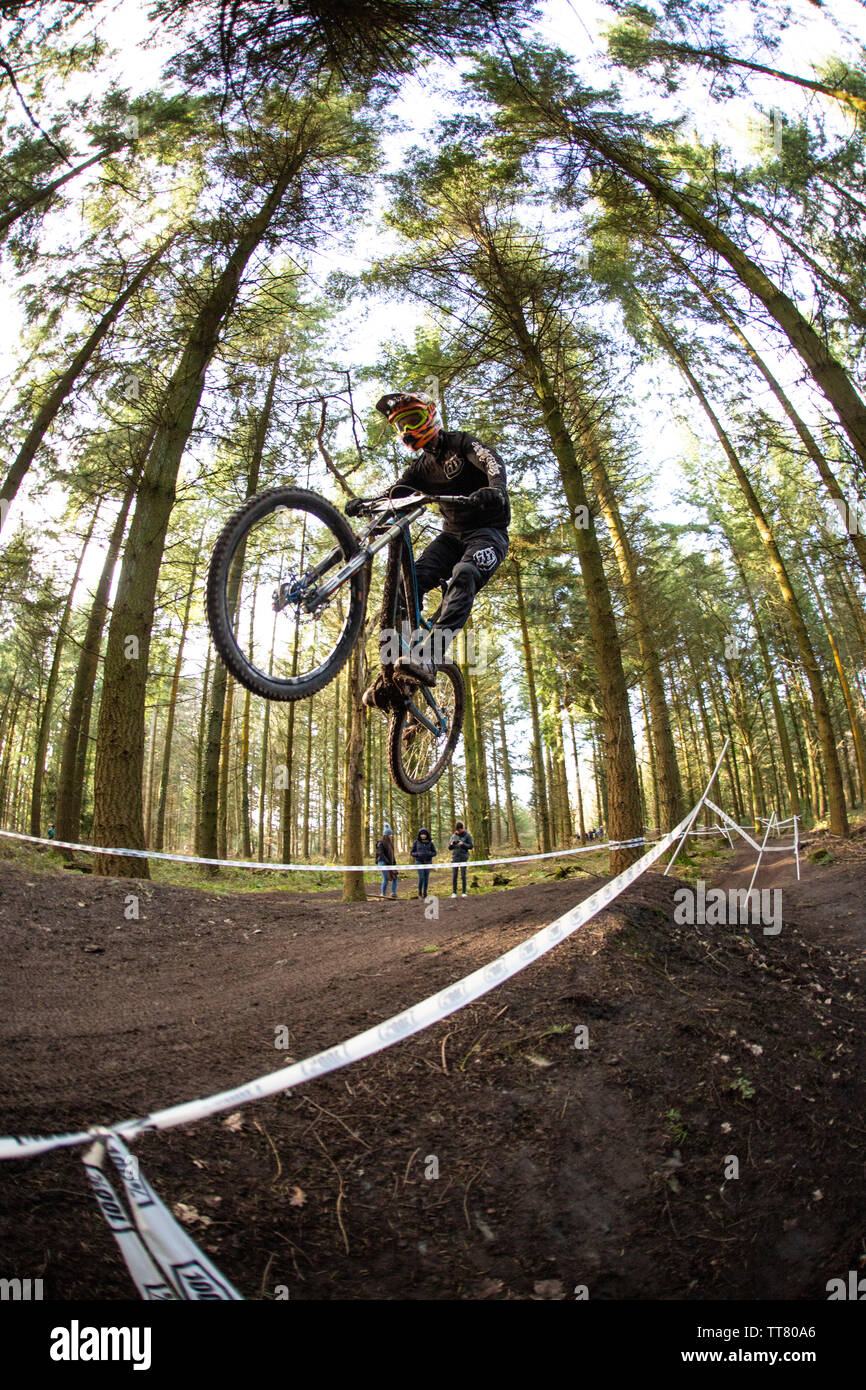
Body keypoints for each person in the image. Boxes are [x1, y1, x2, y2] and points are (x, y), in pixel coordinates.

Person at [357, 390, 510, 689]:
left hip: (488, 535)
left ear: (431, 416)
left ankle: (430, 654)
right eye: (401, 426)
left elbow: (490, 459)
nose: (408, 430)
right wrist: (369, 502)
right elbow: (397, 492)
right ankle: (389, 677)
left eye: (413, 420)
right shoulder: (420, 468)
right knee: (404, 588)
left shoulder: (461, 443)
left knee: (464, 575)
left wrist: (497, 489)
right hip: (450, 537)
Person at [409, 826, 436, 898]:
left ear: (427, 835)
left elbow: (434, 853)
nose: (423, 835)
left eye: (424, 834)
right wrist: (417, 854)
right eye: (421, 834)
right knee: (421, 877)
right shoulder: (416, 842)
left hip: (428, 862)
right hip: (419, 862)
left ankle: (425, 892)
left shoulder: (430, 843)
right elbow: (411, 853)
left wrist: (429, 854)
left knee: (426, 878)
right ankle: (419, 892)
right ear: (419, 835)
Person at [448, 821, 473, 897]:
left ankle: (464, 892)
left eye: (459, 830)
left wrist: (463, 844)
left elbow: (471, 846)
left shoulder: (467, 835)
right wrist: (452, 844)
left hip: (463, 857)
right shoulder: (453, 836)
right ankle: (454, 892)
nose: (458, 832)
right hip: (455, 857)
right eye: (456, 830)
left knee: (463, 875)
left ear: (462, 829)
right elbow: (449, 847)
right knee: (454, 875)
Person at [374, 824, 398, 899]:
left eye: (391, 834)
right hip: (382, 862)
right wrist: (387, 862)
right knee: (386, 878)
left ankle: (393, 893)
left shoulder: (390, 844)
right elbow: (381, 854)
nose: (391, 836)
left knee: (395, 877)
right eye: (390, 834)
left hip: (390, 863)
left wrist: (394, 862)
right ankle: (382, 894)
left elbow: (392, 854)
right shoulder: (380, 843)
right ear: (386, 835)